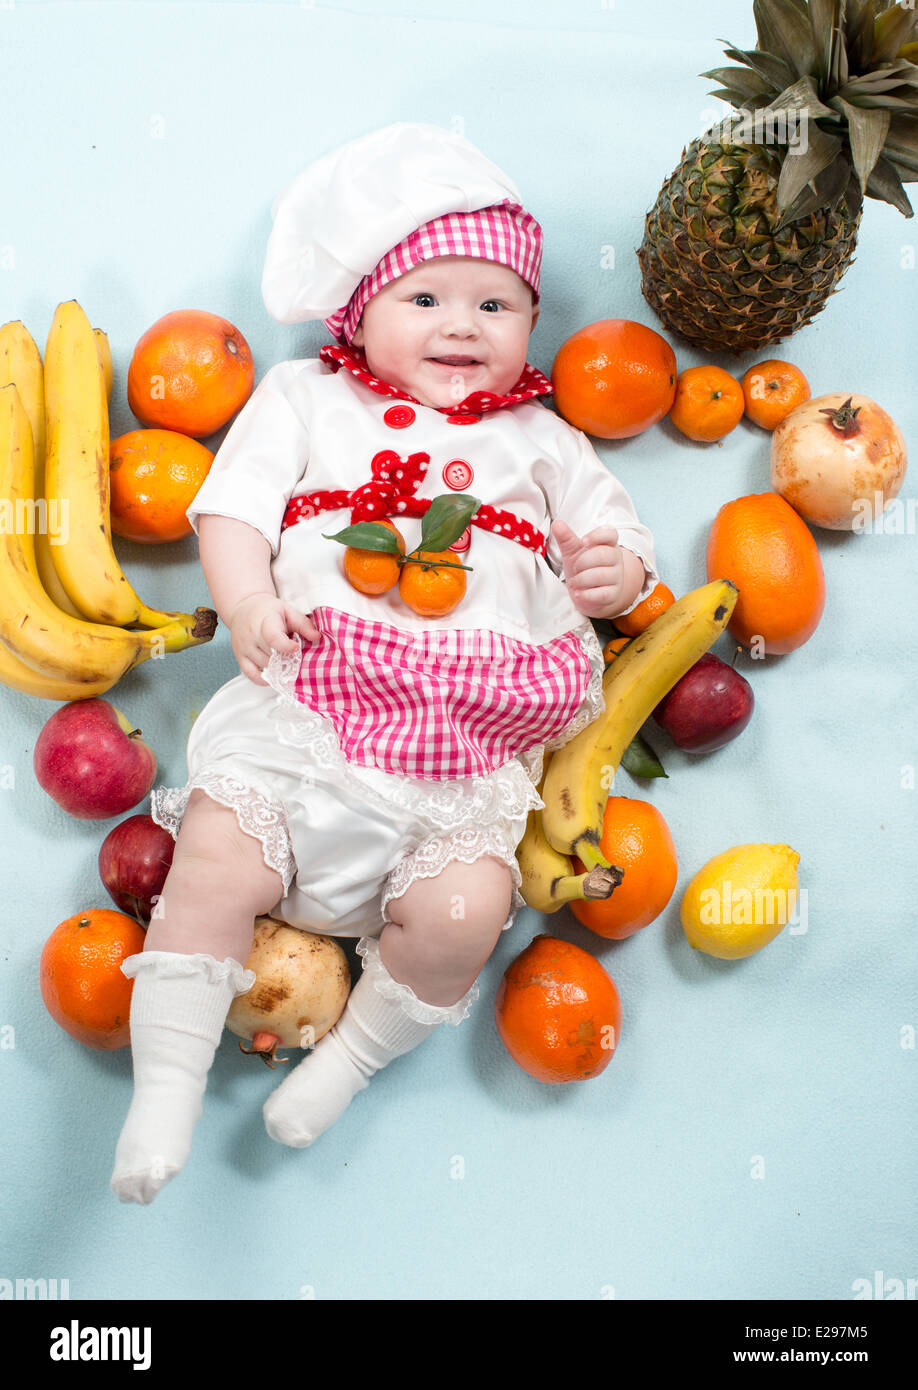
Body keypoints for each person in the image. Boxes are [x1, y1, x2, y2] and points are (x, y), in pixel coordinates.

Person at [110, 122, 658, 1205]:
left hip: (461, 762)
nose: (463, 324)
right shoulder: (309, 397)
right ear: (363, 315)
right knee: (212, 868)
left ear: (533, 325)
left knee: (464, 917)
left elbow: (621, 538)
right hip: (310, 721)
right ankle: (164, 1084)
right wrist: (251, 598)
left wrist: (611, 574)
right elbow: (229, 506)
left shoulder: (546, 441)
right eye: (426, 300)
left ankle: (345, 1065)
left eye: (494, 305)